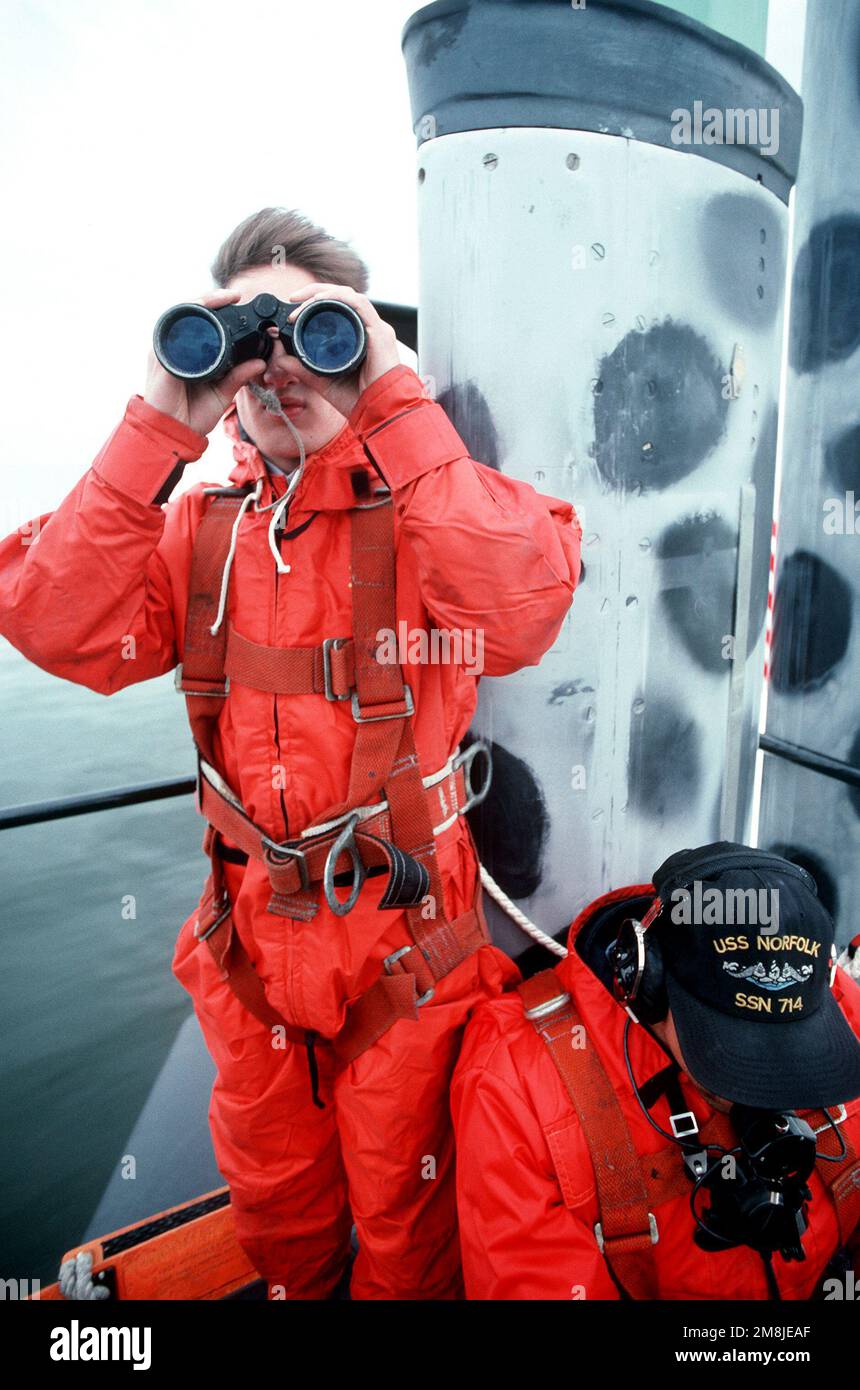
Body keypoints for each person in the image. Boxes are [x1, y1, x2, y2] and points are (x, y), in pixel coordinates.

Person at [0, 207, 581, 1299]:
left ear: (367, 339)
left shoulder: (426, 506)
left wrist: (389, 396)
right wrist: (160, 424)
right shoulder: (201, 525)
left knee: (406, 1231)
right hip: (248, 947)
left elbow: (518, 612)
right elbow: (52, 620)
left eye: (313, 332)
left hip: (404, 942)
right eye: (241, 341)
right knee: (276, 1209)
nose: (273, 370)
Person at [451, 843, 860, 1299]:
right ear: (649, 986)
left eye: (797, 1048)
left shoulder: (834, 1002)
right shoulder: (517, 1080)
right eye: (738, 1057)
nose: (769, 1084)